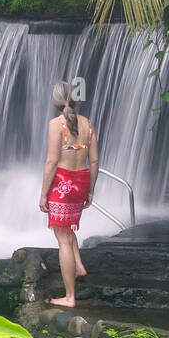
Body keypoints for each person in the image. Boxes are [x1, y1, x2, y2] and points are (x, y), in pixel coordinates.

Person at [39, 80, 99, 307]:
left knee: (62, 238)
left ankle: (70, 296)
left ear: (55, 101)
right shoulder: (88, 124)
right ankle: (79, 265)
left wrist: (43, 193)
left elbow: (52, 161)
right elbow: (94, 160)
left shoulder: (56, 124)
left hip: (63, 183)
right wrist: (91, 192)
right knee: (68, 226)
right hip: (81, 180)